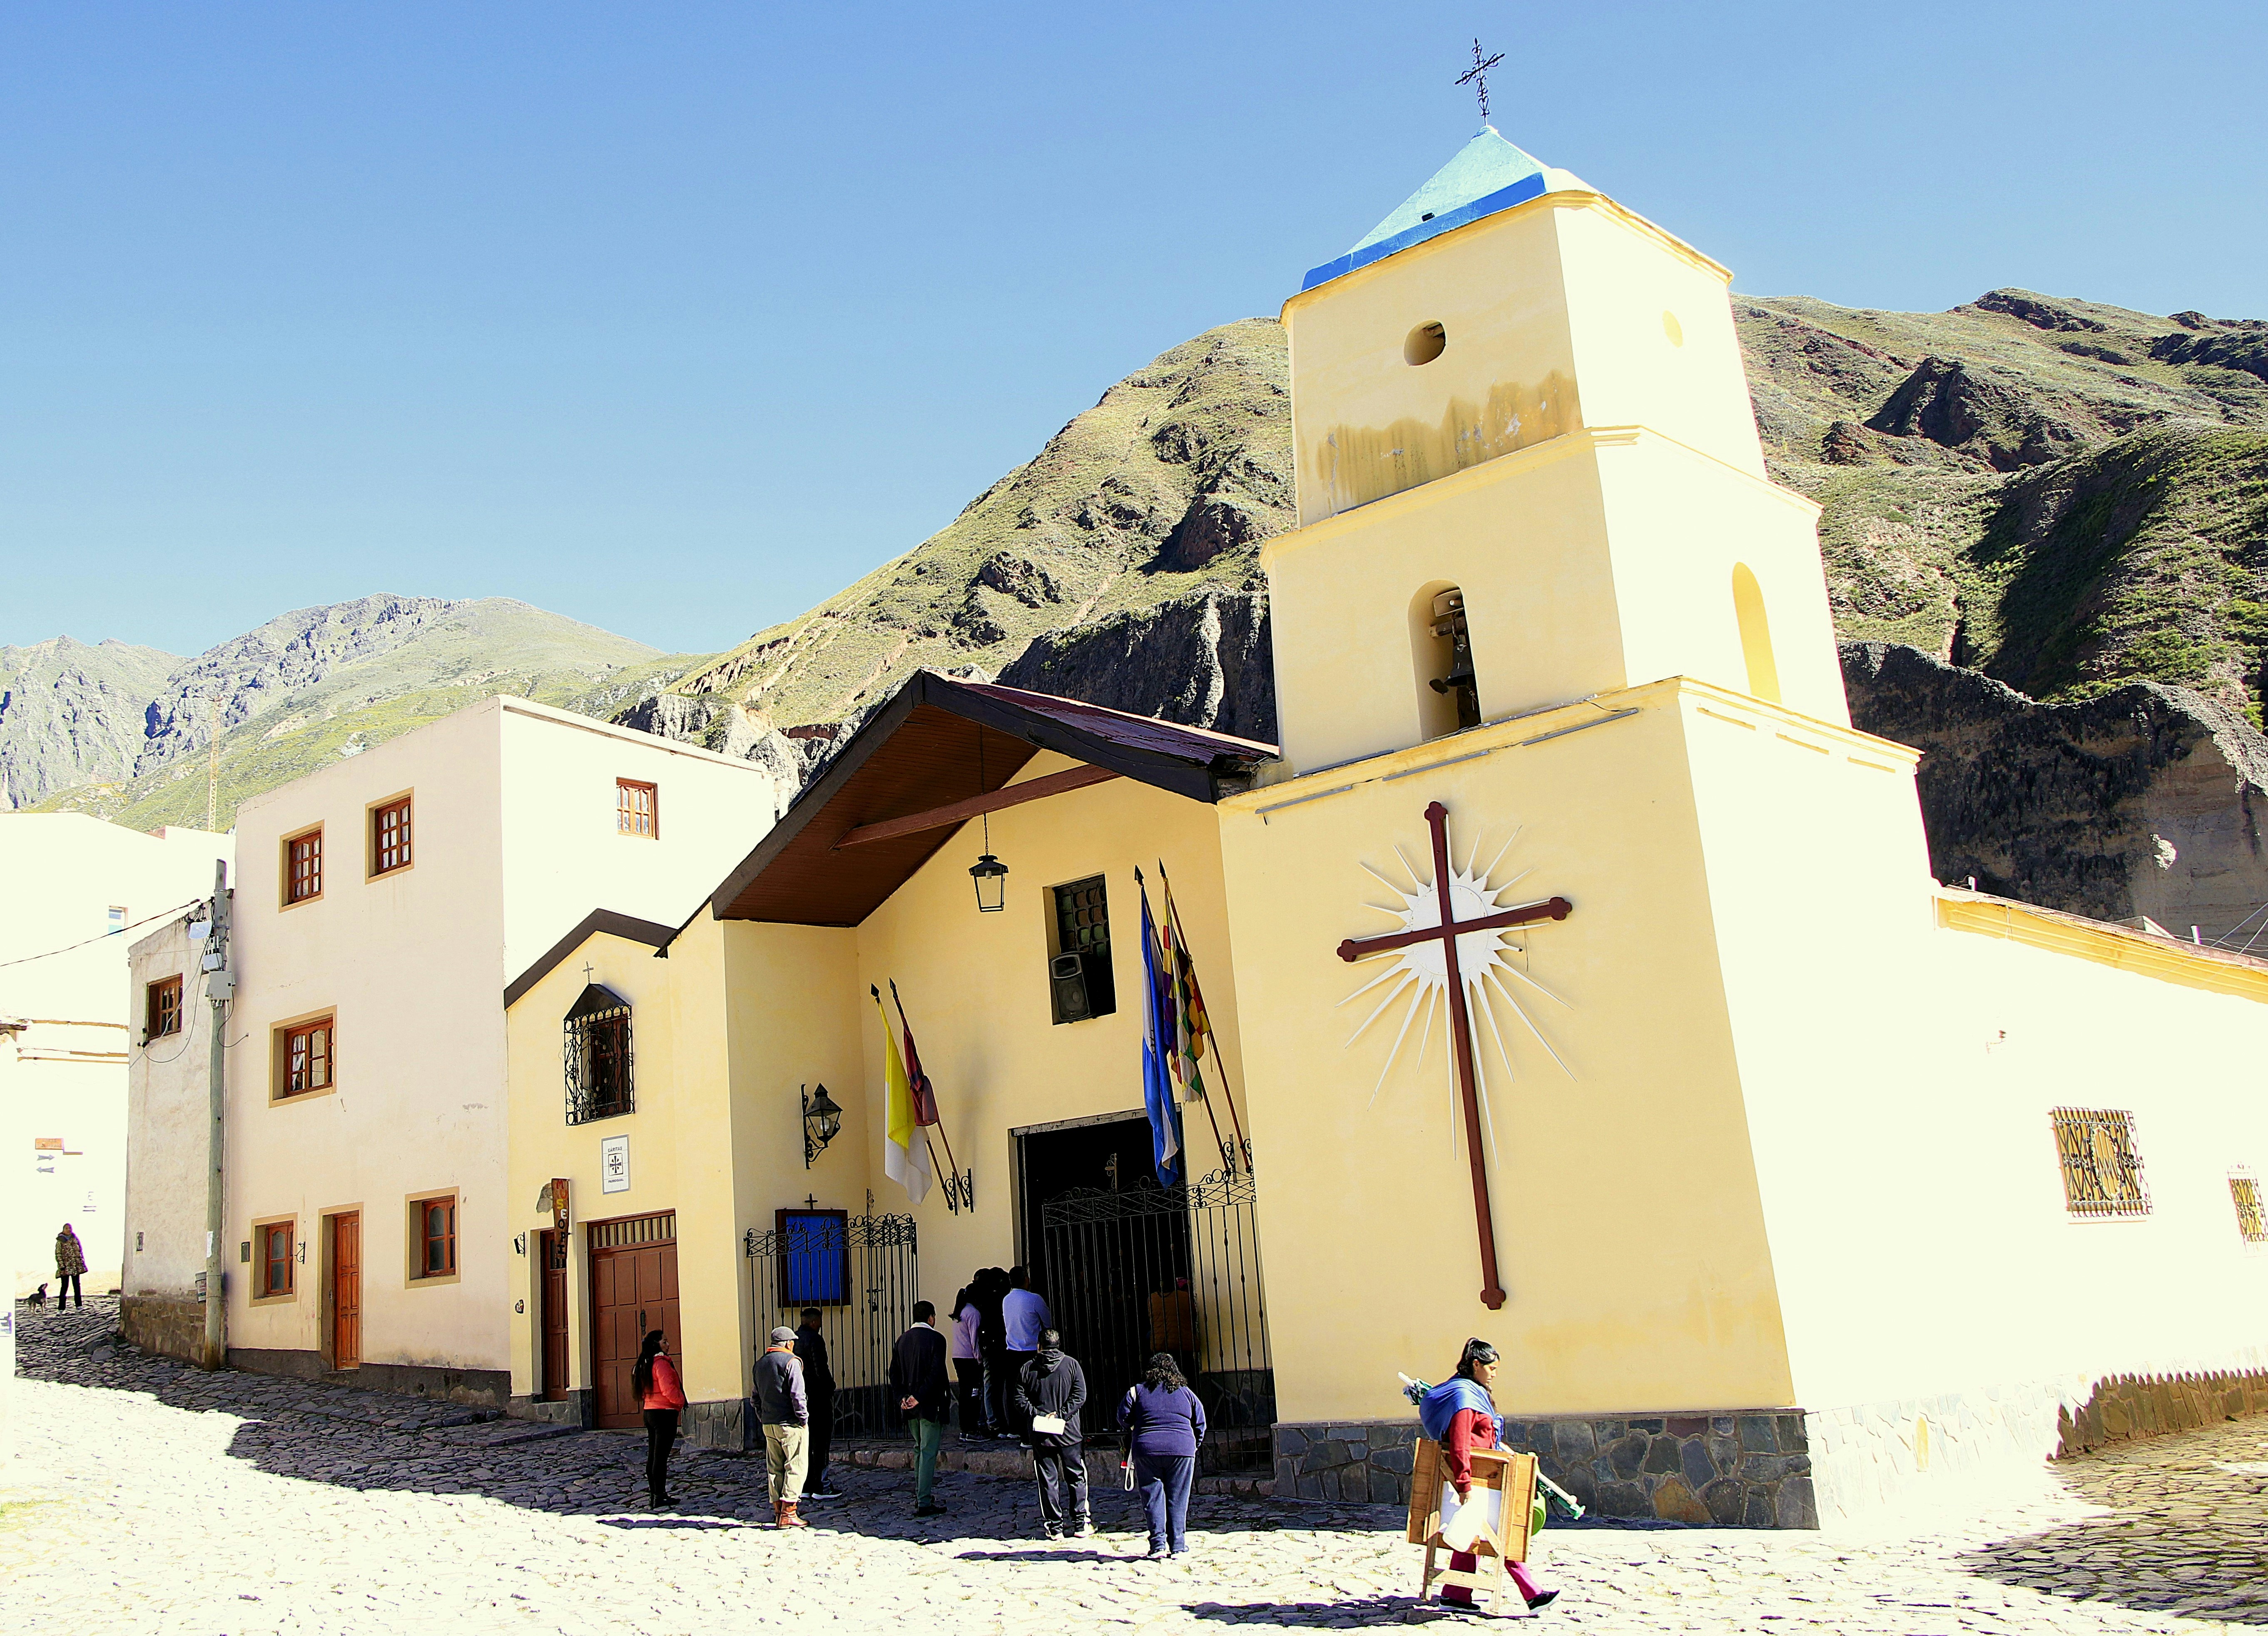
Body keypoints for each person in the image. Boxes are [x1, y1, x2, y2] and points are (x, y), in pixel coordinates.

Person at [1418, 1339, 1556, 1613]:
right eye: (1491, 1368)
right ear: (1476, 1365)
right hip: (1476, 1480)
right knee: (1498, 1533)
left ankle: (1456, 1595)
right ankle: (1532, 1594)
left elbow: (1486, 1438)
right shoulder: (1463, 1397)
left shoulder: (1473, 1393)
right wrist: (1464, 1485)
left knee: (1478, 1534)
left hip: (1487, 1477)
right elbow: (1460, 1444)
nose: (1494, 1373)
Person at [1118, 1350, 1206, 1559]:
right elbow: (1200, 1423)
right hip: (1182, 1450)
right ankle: (1178, 1545)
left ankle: (1158, 1545)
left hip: (1147, 1449)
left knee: (1152, 1497)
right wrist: (1194, 1446)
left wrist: (1136, 1427)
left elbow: (1123, 1417)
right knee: (1178, 1497)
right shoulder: (1186, 1393)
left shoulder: (1137, 1391)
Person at [1013, 1328, 1090, 1540]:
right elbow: (1080, 1395)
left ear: (1039, 1346)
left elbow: (1019, 1400)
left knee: (1048, 1479)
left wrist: (1038, 1416)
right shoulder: (1072, 1365)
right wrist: (1062, 1415)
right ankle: (1080, 1523)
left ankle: (1055, 1527)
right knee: (1076, 1476)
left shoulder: (1027, 1369)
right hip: (1069, 1433)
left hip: (1041, 1434)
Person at [889, 1300, 952, 1517]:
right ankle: (924, 1500)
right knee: (927, 1451)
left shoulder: (902, 1340)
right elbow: (936, 1373)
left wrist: (903, 1398)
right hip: (929, 1404)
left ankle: (920, 1494)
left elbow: (894, 1373)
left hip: (910, 1405)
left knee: (918, 1448)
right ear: (931, 1318)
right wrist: (918, 1397)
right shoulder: (937, 1339)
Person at [753, 1325, 811, 1528]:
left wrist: (763, 1417)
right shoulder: (791, 1362)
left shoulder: (760, 1365)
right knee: (796, 1466)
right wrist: (803, 1419)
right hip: (790, 1424)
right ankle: (789, 1512)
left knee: (775, 1467)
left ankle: (778, 1511)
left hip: (769, 1424)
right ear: (788, 1343)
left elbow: (755, 1398)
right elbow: (798, 1395)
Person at [631, 1330, 687, 1509]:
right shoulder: (661, 1364)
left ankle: (655, 1494)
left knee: (654, 1455)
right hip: (664, 1413)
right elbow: (668, 1389)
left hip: (650, 1411)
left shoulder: (644, 1363)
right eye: (665, 1342)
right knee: (660, 1457)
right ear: (657, 1345)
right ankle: (659, 1496)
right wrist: (681, 1402)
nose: (668, 1344)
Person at [1001, 1267, 1052, 1437]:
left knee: (1015, 1392)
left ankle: (1015, 1429)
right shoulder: (1034, 1299)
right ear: (1026, 1279)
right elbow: (1048, 1322)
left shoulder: (1006, 1300)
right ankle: (1034, 1429)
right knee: (1034, 1392)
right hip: (1031, 1351)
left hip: (1012, 1351)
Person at [794, 1307, 839, 1499]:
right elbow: (821, 1368)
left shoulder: (794, 1341)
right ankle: (822, 1485)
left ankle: (805, 1485)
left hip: (800, 1398)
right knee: (821, 1443)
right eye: (819, 1321)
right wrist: (830, 1387)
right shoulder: (815, 1340)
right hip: (817, 1398)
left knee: (806, 1443)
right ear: (814, 1322)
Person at [949, 1281, 988, 1439]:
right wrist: (980, 1359)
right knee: (974, 1395)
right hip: (970, 1359)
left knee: (964, 1395)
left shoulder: (959, 1312)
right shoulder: (973, 1313)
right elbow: (975, 1340)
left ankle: (964, 1429)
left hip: (958, 1357)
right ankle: (972, 1429)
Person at [976, 1267, 1011, 1439]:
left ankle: (997, 1423)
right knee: (1000, 1388)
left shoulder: (984, 1300)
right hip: (1001, 1348)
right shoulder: (1002, 1300)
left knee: (993, 1389)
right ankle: (1000, 1424)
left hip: (990, 1348)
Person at [53, 1223, 86, 1310]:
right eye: (67, 1228)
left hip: (75, 1267)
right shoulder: (60, 1240)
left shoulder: (75, 1239)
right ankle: (61, 1308)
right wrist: (62, 1266)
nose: (69, 1230)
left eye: (70, 1228)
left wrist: (81, 1263)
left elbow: (80, 1251)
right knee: (64, 1287)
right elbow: (58, 1254)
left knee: (77, 1286)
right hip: (65, 1268)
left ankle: (79, 1305)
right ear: (64, 1230)